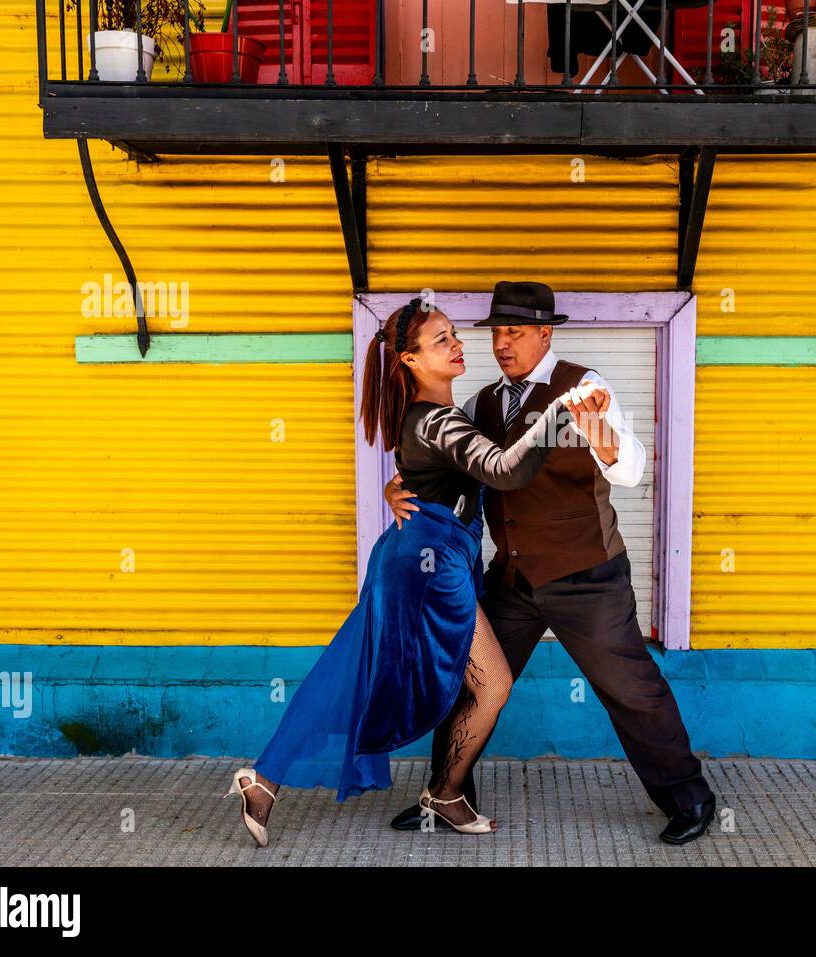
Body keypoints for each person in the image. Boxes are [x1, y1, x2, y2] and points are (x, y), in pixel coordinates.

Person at [226, 294, 610, 844]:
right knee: (489, 685)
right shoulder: (434, 421)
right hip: (425, 564)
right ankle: (443, 791)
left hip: (423, 554)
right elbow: (502, 471)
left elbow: (428, 479)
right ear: (409, 360)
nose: (458, 346)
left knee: (353, 670)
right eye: (441, 341)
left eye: (454, 335)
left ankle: (264, 781)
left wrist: (398, 489)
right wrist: (557, 413)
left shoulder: (436, 418)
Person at [385, 280, 717, 845]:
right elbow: (441, 465)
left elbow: (631, 467)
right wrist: (396, 490)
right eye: (497, 332)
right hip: (513, 578)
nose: (503, 343)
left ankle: (690, 799)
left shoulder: (584, 387)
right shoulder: (481, 403)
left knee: (632, 690)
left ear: (545, 333)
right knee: (470, 683)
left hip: (588, 575)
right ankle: (446, 794)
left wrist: (604, 440)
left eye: (516, 332)